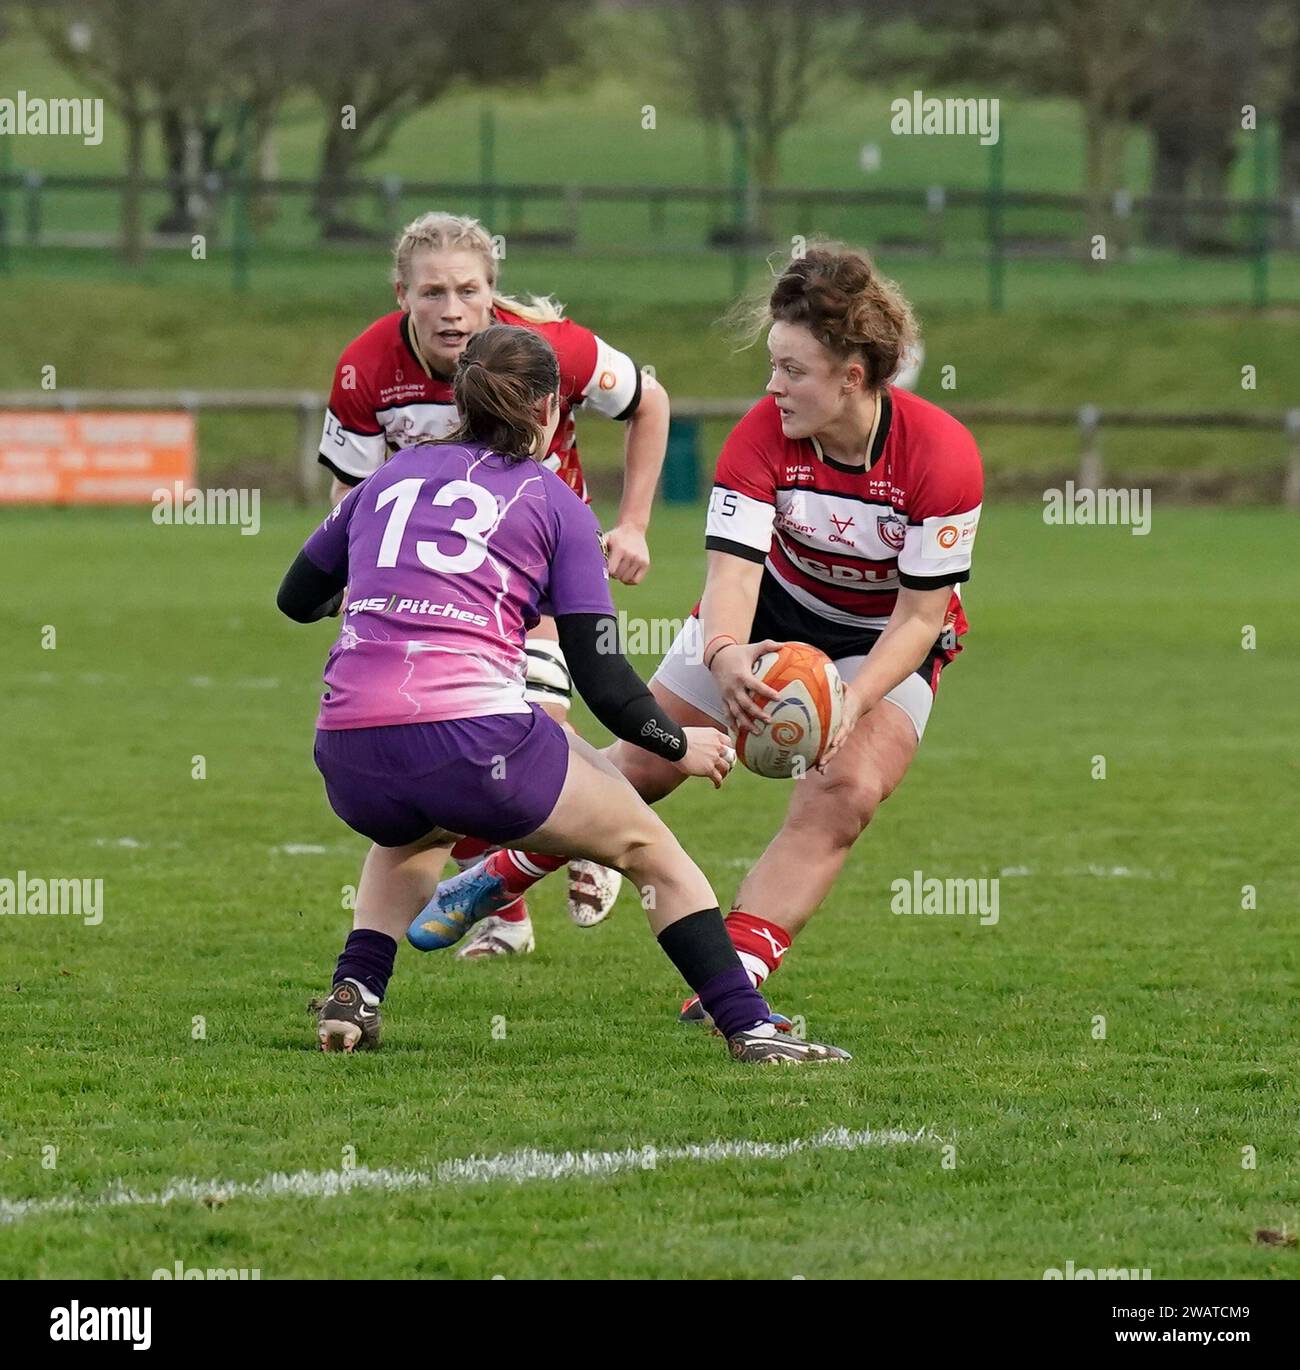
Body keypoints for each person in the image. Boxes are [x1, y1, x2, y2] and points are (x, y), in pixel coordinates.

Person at [424, 243, 983, 1029]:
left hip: (879, 637)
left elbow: (921, 616)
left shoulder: (942, 456)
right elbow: (732, 578)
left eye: (792, 369)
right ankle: (508, 868)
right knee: (650, 763)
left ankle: (738, 970)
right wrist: (723, 657)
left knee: (846, 793)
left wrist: (852, 698)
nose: (771, 384)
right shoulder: (762, 436)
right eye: (772, 364)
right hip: (764, 615)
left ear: (851, 377)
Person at [278, 323, 849, 1066]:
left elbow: (297, 598)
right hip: (474, 739)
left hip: (349, 747)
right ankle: (753, 1029)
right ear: (550, 407)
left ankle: (355, 993)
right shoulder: (552, 499)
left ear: (461, 396)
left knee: (406, 836)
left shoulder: (391, 477)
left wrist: (388, 603)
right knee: (652, 850)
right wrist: (682, 743)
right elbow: (606, 680)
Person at [316, 211, 671, 955]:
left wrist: (633, 522)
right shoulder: (363, 369)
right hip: (439, 592)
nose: (451, 309)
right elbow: (351, 502)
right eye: (432, 291)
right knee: (459, 741)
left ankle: (565, 850)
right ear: (400, 294)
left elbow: (650, 400)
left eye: (467, 290)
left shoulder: (552, 350)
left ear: (493, 290)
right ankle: (512, 906)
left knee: (526, 723)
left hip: (537, 566)